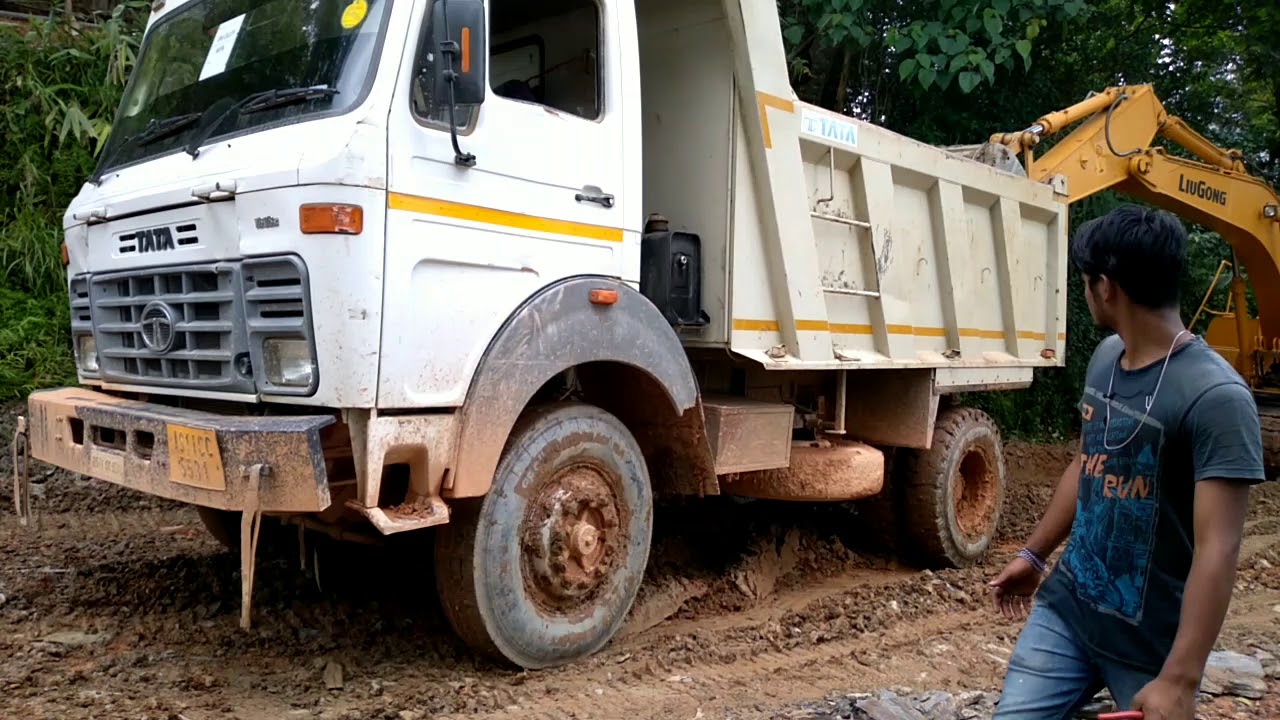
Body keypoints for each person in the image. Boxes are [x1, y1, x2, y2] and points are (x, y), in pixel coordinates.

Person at [987, 204, 1265, 720]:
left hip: (1150, 647)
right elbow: (1087, 462)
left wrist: (1179, 680)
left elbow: (1218, 548)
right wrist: (1035, 554)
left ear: (1106, 287)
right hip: (1067, 612)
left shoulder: (1216, 396)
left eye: (1087, 282)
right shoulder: (1106, 357)